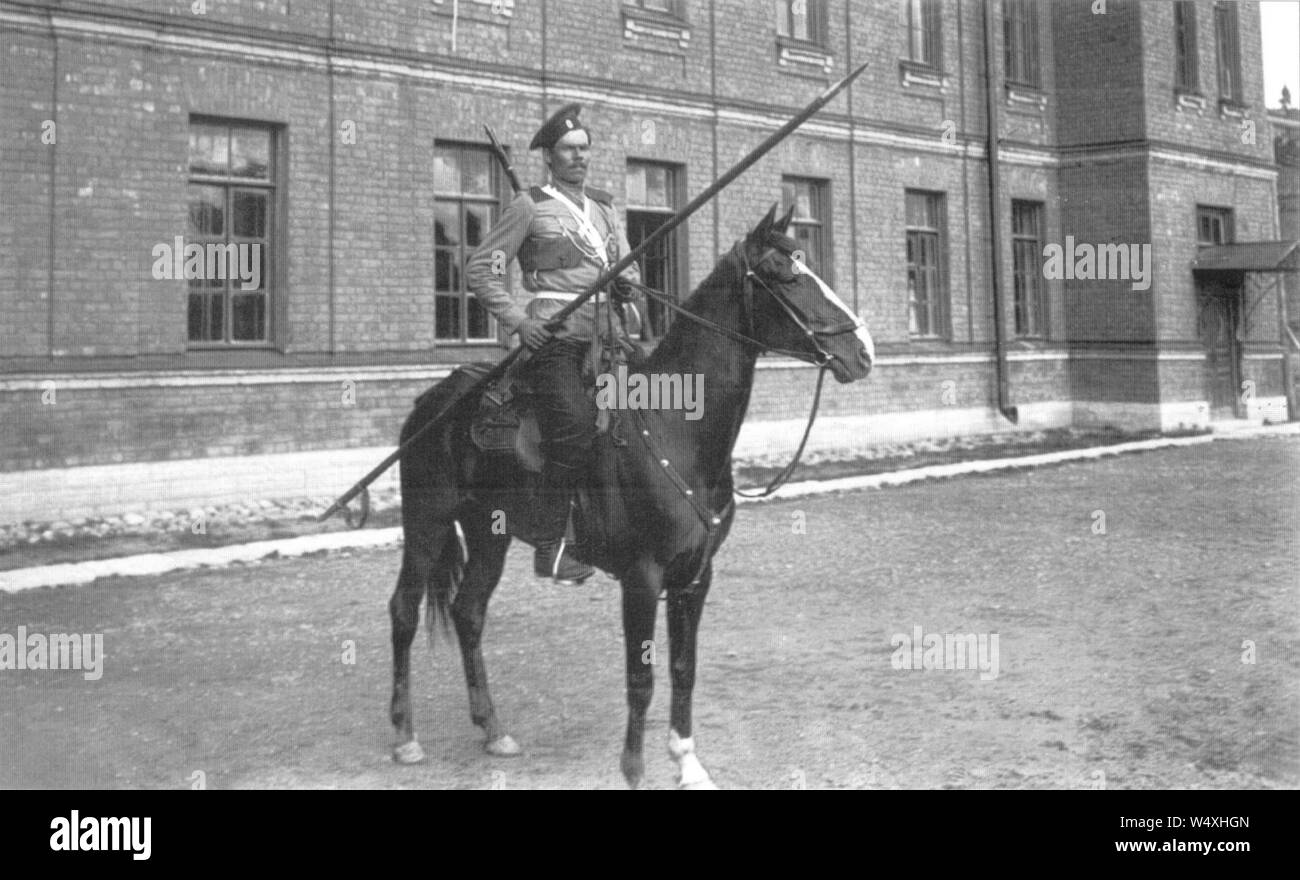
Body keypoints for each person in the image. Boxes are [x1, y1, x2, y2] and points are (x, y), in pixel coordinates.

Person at [466, 103, 641, 583]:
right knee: (577, 427)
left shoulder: (604, 209)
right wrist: (518, 321)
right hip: (555, 337)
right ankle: (553, 547)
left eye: (584, 149)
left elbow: (630, 269)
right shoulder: (529, 207)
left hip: (608, 337)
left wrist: (627, 284)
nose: (578, 157)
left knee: (653, 417)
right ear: (550, 156)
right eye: (568, 150)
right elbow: (481, 270)